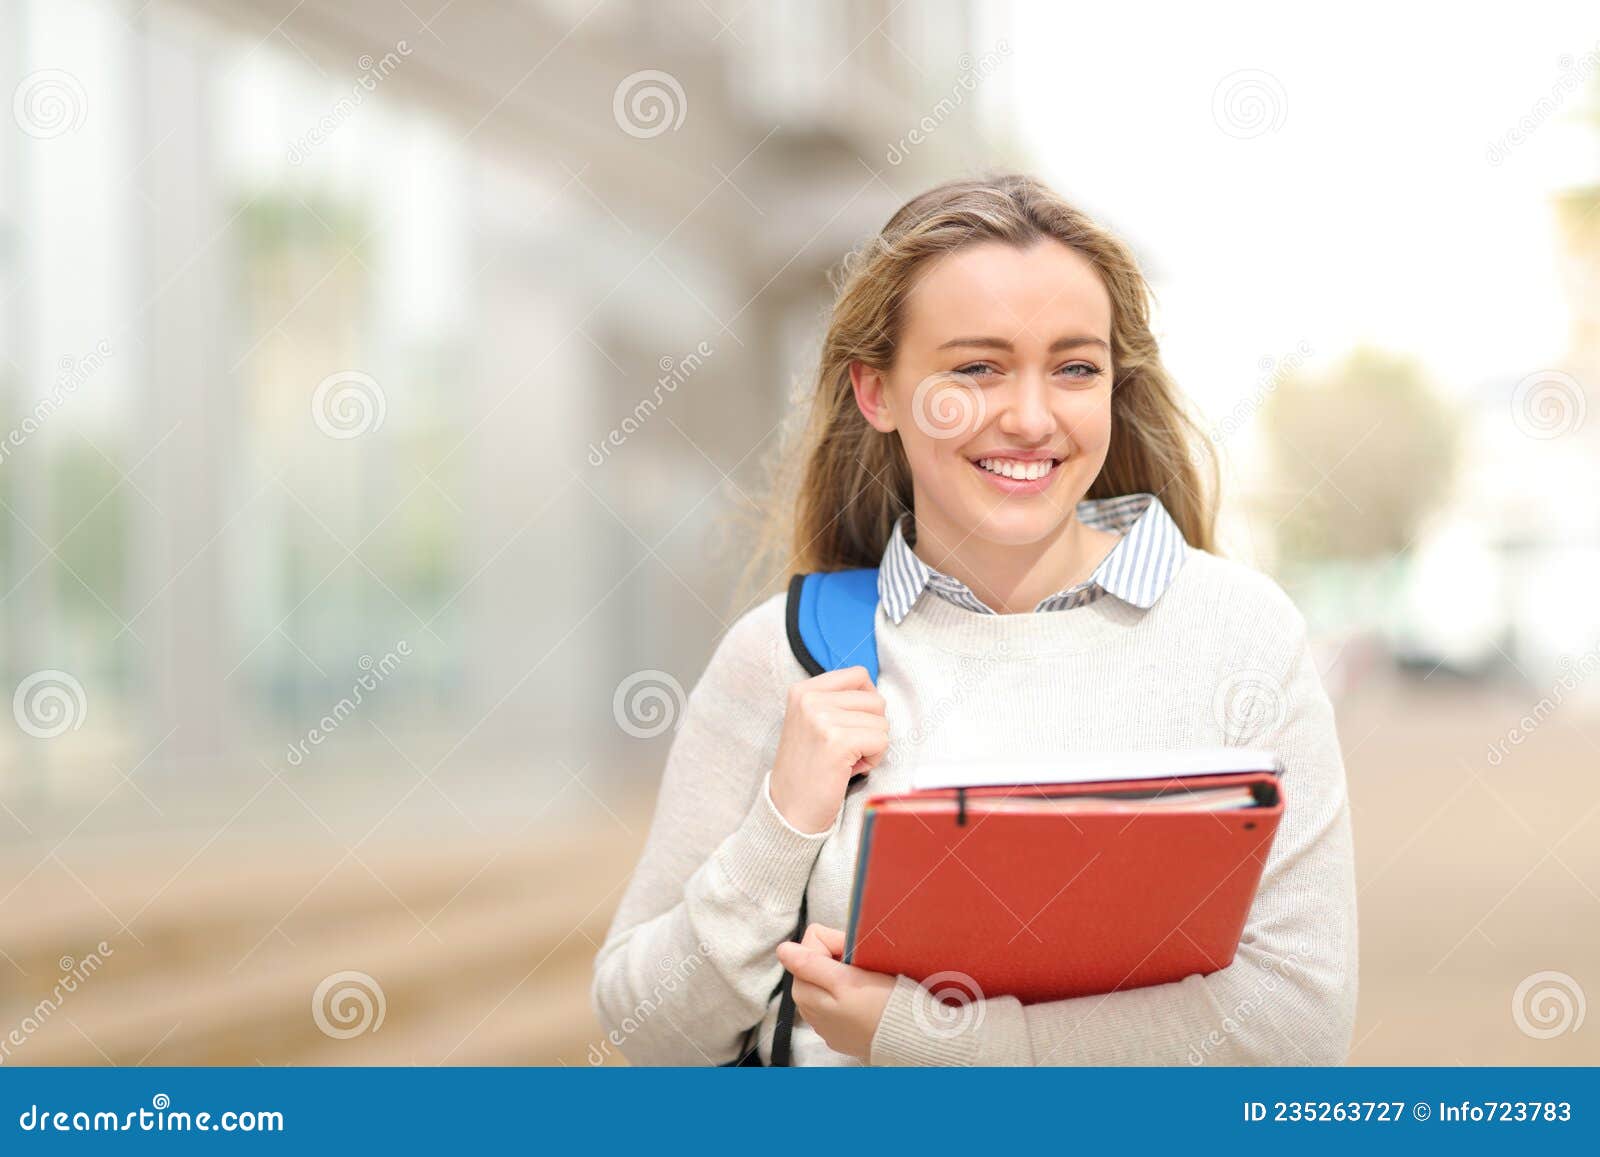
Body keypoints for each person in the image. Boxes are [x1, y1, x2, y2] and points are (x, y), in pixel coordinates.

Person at [590, 172, 1357, 1066]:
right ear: (876, 393)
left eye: (1075, 367)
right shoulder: (783, 656)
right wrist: (779, 829)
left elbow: (1297, 1023)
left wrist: (933, 1036)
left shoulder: (1241, 635)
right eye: (976, 369)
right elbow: (640, 1038)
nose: (1030, 419)